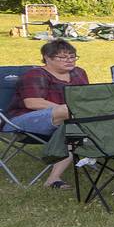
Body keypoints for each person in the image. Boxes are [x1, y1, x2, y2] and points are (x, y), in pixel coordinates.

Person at [5, 39, 87, 189]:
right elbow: (32, 102)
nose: (69, 60)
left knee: (73, 129)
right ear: (47, 58)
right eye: (62, 57)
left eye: (72, 56)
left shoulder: (78, 73)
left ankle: (53, 179)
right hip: (23, 120)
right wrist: (66, 110)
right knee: (71, 115)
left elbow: (87, 97)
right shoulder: (36, 74)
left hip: (68, 121)